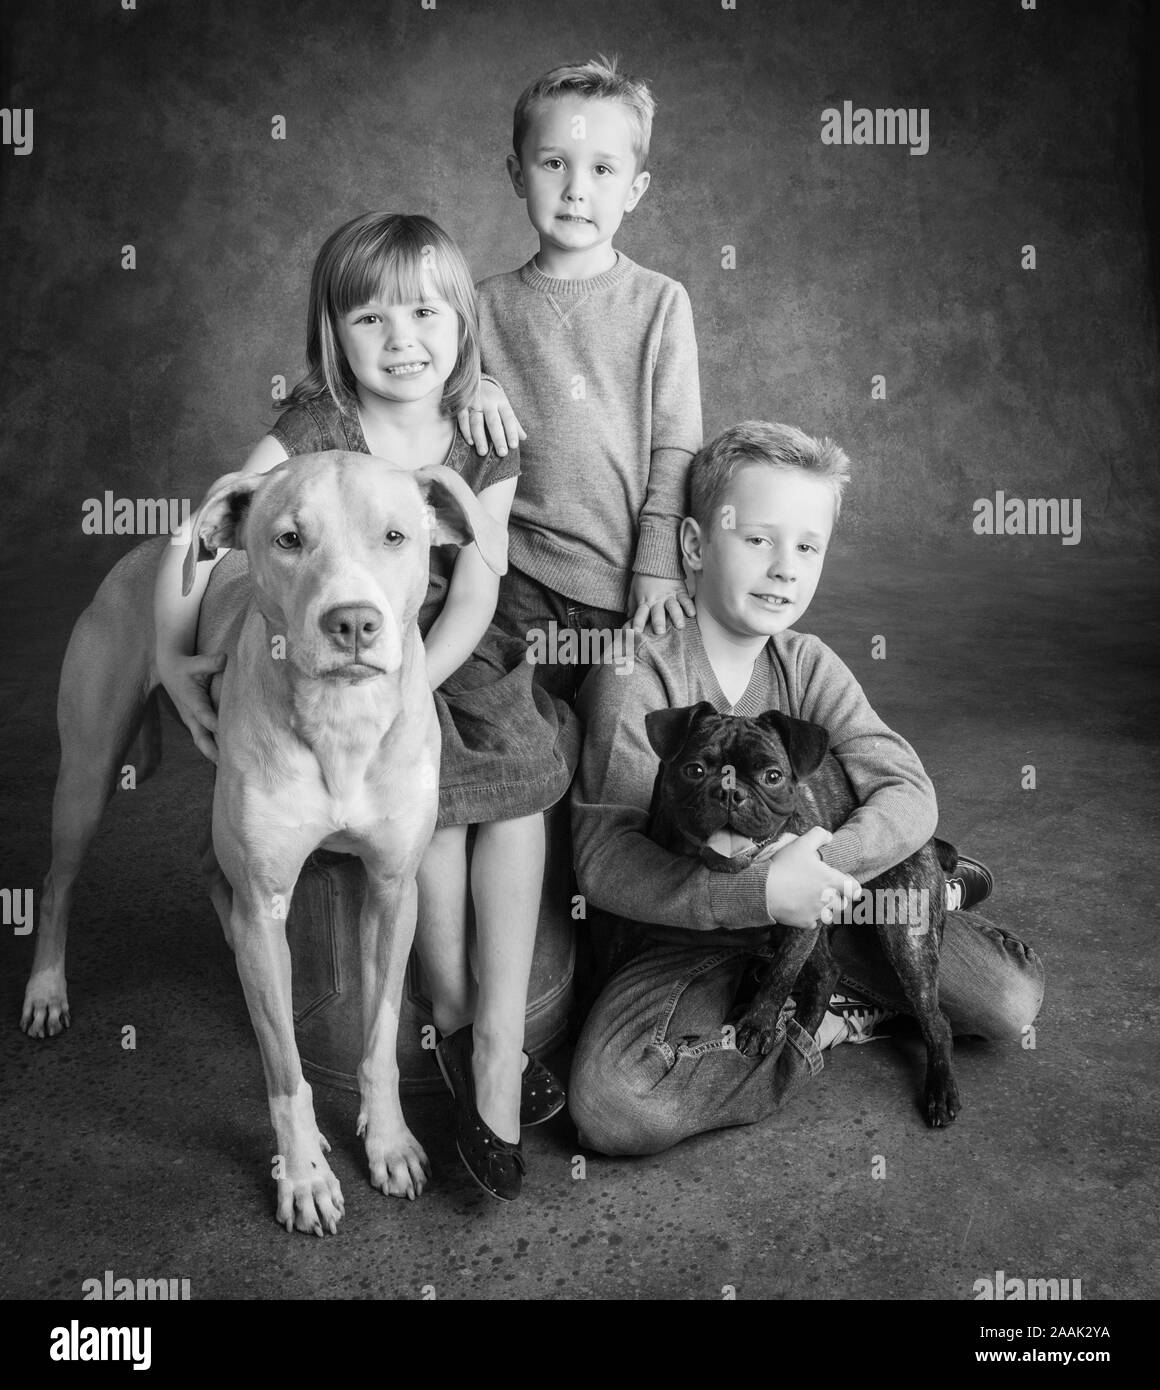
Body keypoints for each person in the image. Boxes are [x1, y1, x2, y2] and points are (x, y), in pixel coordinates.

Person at [153, 211, 577, 1200]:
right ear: (331, 335)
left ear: (462, 325)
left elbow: (476, 583)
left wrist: (408, 687)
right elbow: (196, 535)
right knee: (395, 841)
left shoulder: (479, 436)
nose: (401, 340)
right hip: (311, 670)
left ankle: (484, 1036)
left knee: (509, 786)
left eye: (425, 314)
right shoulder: (309, 427)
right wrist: (174, 656)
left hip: (438, 653)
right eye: (370, 320)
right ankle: (314, 1106)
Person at [569, 421, 1044, 1155]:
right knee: (613, 1103)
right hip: (683, 935)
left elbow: (909, 790)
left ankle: (898, 923)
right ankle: (820, 1022)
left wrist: (819, 871)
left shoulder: (808, 664)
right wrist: (758, 895)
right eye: (758, 540)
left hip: (824, 915)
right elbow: (603, 859)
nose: (784, 568)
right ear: (694, 547)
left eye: (807, 547)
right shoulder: (638, 673)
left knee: (1012, 1004)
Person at [468, 55, 703, 696]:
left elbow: (676, 446)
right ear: (518, 175)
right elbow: (432, 412)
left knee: (619, 741)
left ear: (634, 189)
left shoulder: (660, 302)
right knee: (519, 735)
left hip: (625, 579)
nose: (577, 189)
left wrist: (658, 563)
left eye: (602, 169)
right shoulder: (480, 305)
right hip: (512, 578)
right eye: (554, 164)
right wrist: (473, 387)